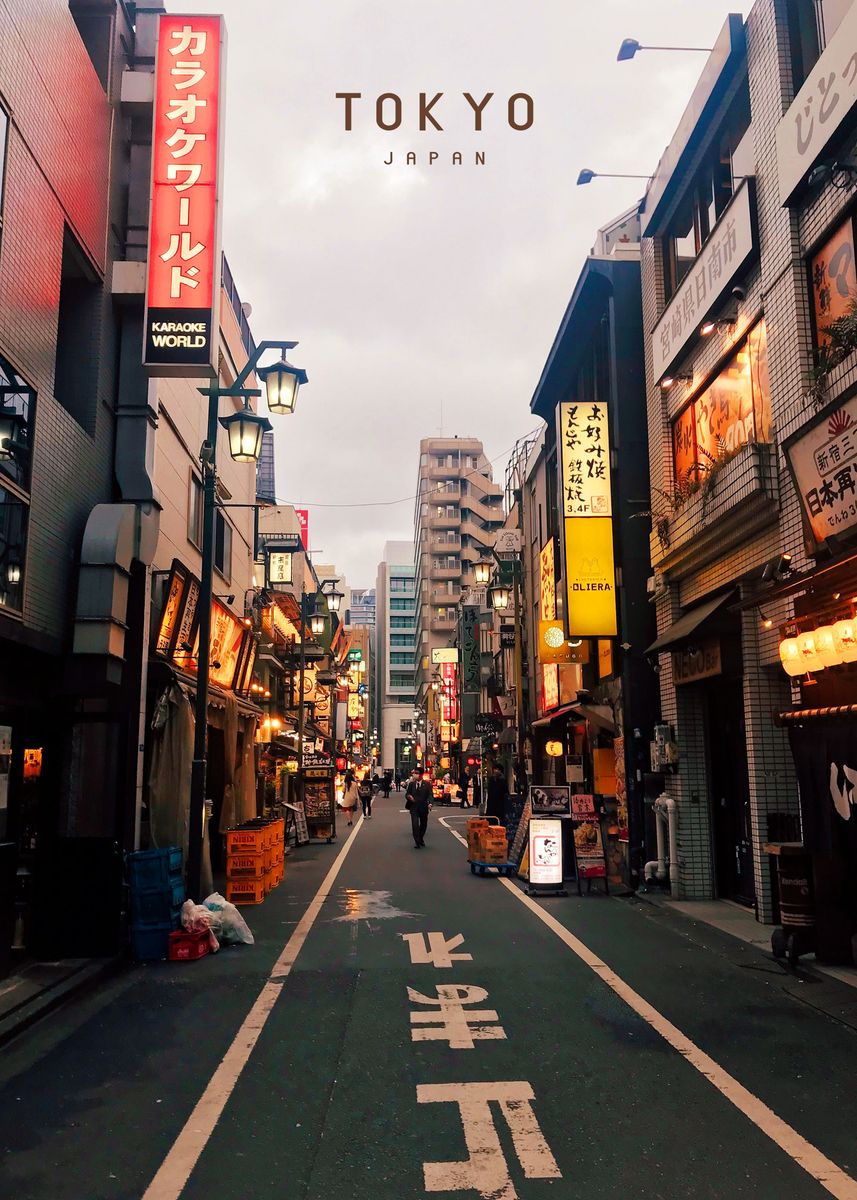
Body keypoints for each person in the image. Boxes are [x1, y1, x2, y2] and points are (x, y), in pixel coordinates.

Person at [405, 766, 432, 848]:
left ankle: (420, 838)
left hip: (423, 807)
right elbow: (407, 794)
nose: (414, 775)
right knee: (415, 824)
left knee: (424, 824)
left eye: (416, 773)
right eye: (414, 773)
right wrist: (409, 796)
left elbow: (430, 795)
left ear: (421, 775)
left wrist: (430, 803)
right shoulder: (411, 784)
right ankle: (417, 841)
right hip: (414, 807)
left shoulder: (427, 784)